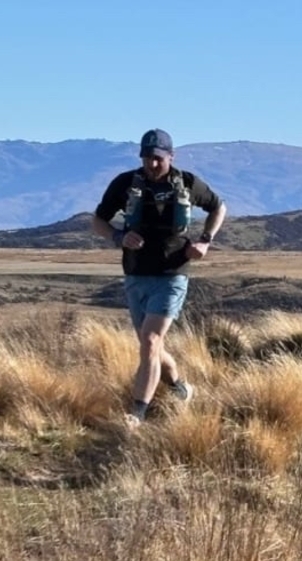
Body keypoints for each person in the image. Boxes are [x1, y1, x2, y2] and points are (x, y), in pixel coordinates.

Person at [91, 128, 227, 427]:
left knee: (151, 341)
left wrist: (205, 240)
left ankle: (137, 413)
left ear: (170, 156)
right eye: (146, 158)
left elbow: (218, 207)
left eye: (157, 159)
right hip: (136, 272)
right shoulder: (125, 183)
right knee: (150, 345)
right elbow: (98, 220)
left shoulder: (188, 183)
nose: (151, 165)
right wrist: (117, 236)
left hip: (172, 273)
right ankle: (180, 388)